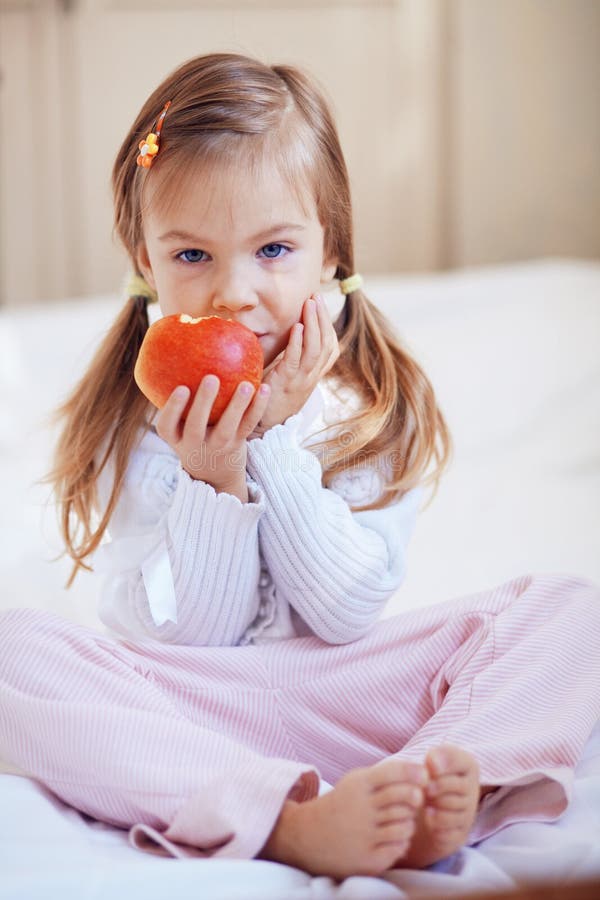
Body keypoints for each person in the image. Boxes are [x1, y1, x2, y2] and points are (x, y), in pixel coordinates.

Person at [1, 52, 600, 882]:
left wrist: (274, 445)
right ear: (145, 259)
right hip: (191, 714)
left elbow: (347, 611)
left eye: (274, 249)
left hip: (349, 694)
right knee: (15, 649)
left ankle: (438, 780)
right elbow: (193, 640)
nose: (235, 295)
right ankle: (283, 820)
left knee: (565, 610)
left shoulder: (365, 407)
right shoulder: (141, 421)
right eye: (192, 257)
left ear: (331, 252)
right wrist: (211, 476)